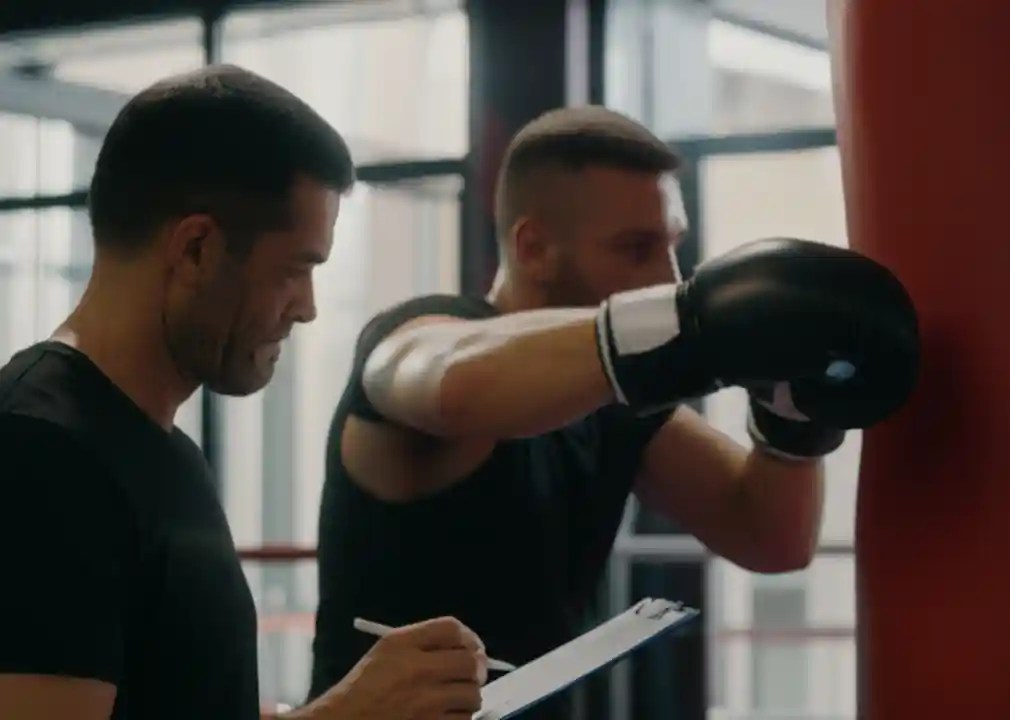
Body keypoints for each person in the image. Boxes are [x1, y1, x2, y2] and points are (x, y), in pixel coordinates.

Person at [308, 105, 919, 716]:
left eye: (672, 246)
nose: (667, 277)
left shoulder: (612, 404)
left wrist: (794, 410)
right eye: (636, 249)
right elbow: (452, 383)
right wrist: (688, 325)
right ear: (534, 248)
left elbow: (769, 536)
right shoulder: (430, 333)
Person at [0, 65, 489, 720]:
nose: (309, 308)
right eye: (296, 270)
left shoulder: (160, 450)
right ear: (197, 248)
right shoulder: (42, 453)